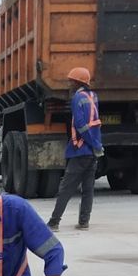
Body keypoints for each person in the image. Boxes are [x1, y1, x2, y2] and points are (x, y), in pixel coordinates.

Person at [48, 66, 103, 231]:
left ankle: (54, 221)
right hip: (93, 151)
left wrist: (90, 143)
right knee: (88, 189)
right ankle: (84, 221)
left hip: (80, 150)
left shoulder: (77, 98)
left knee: (66, 188)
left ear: (77, 82)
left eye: (71, 80)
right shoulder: (94, 96)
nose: (69, 83)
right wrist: (97, 145)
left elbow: (80, 125)